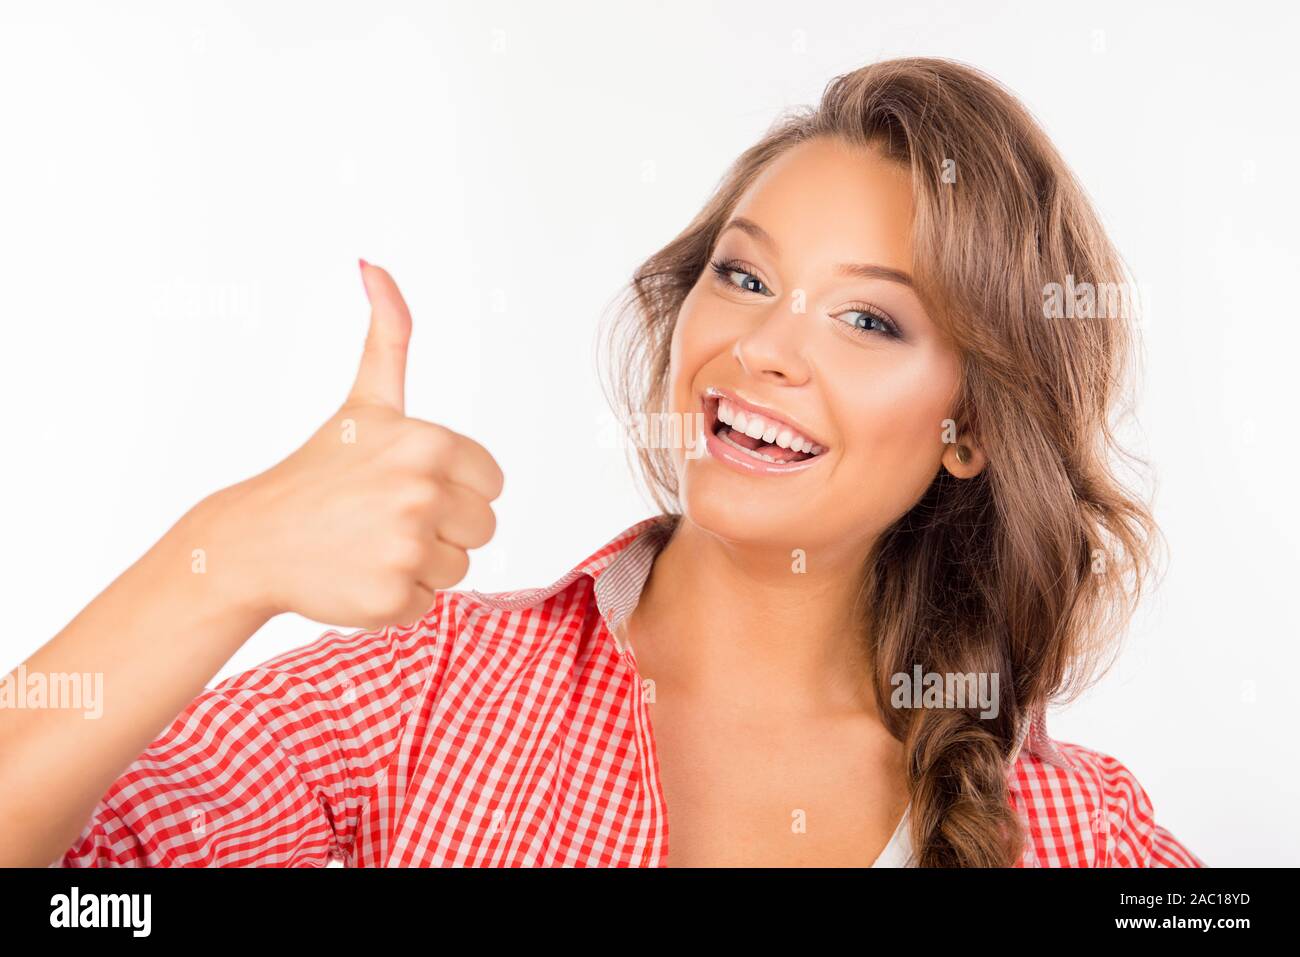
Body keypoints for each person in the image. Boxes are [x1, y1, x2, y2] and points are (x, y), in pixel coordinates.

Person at [0, 56, 1202, 868]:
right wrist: (227, 559)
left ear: (972, 430)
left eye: (868, 320)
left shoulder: (1071, 825)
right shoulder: (426, 696)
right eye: (743, 276)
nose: (762, 347)